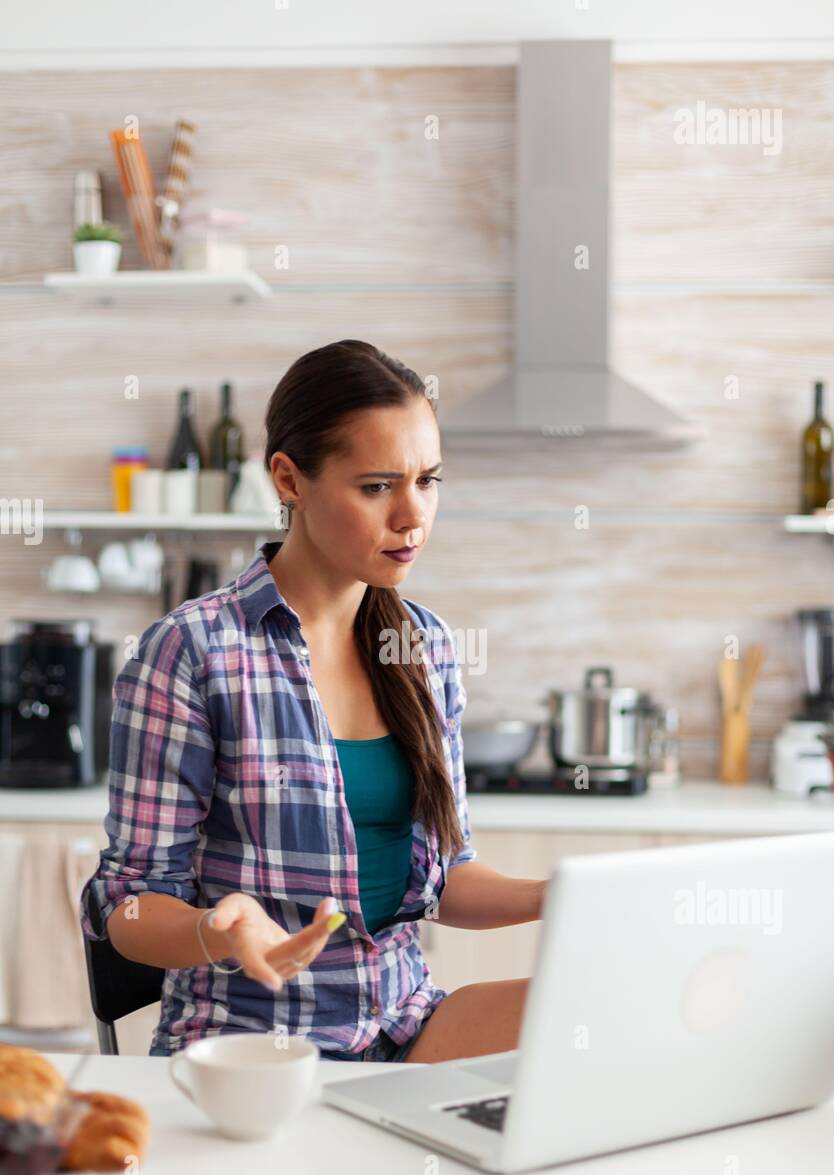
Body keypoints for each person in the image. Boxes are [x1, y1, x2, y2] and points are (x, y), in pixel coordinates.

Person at [81, 340, 547, 1062]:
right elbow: (127, 903)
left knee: (597, 1014)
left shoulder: (423, 647)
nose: (412, 517)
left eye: (428, 481)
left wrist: (563, 896)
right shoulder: (193, 652)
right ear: (289, 479)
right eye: (376, 487)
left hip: (404, 1023)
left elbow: (444, 881)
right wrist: (219, 930)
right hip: (254, 1049)